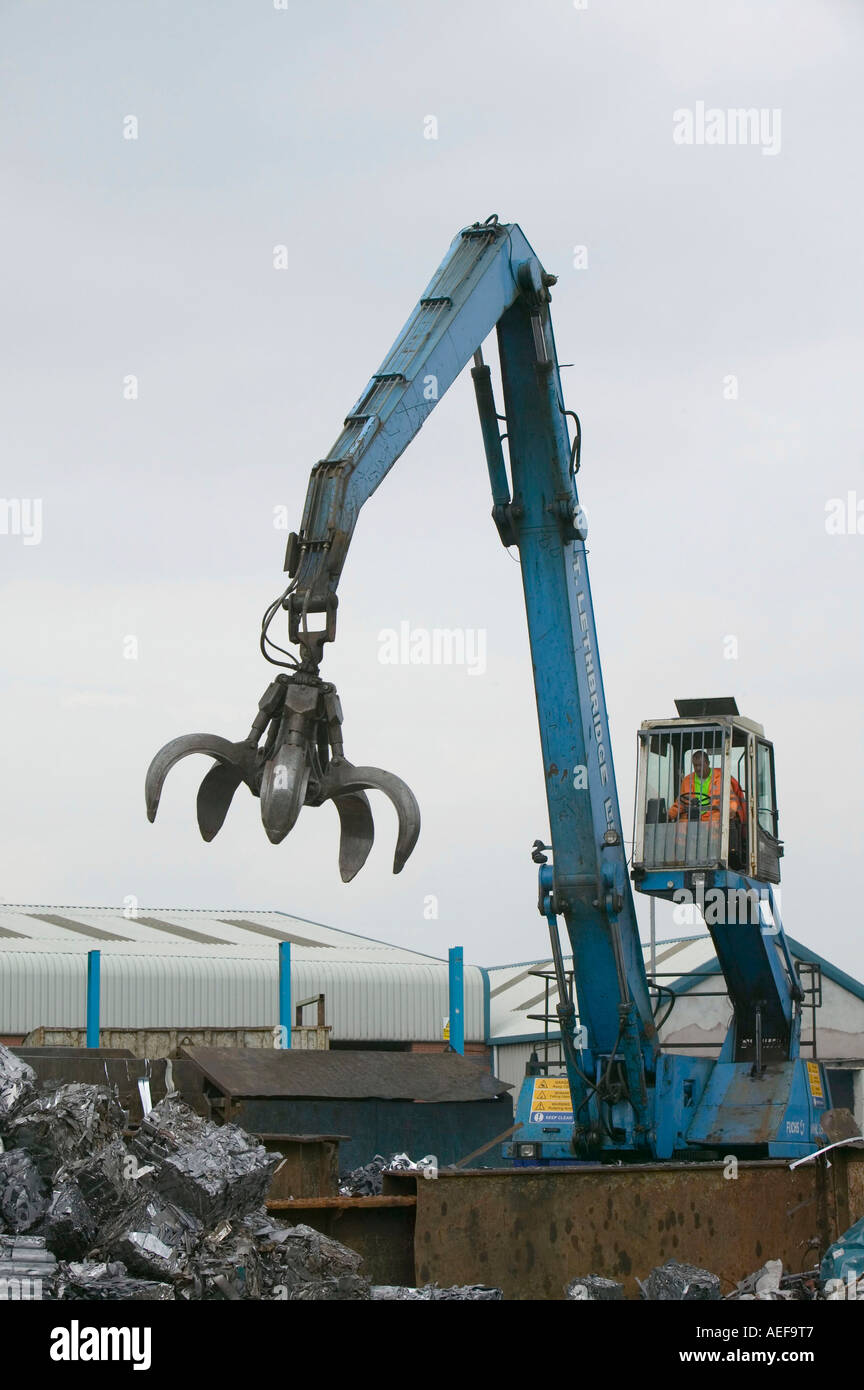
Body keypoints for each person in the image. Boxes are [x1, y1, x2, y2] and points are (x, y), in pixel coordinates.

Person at [668, 749, 746, 825]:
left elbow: (731, 799)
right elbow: (680, 803)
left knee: (718, 822)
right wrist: (669, 815)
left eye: (700, 765)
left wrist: (731, 810)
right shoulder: (687, 780)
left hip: (713, 818)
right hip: (691, 819)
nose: (698, 768)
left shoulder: (721, 778)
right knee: (680, 825)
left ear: (708, 763)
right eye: (695, 765)